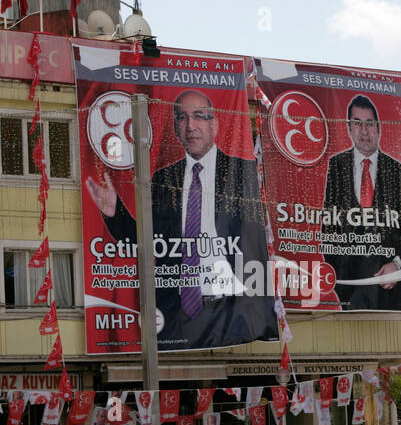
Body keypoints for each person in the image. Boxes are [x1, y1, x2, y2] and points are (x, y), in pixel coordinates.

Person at [85, 89, 277, 350]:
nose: (190, 126)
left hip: (235, 310)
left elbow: (265, 236)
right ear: (175, 128)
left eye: (199, 116)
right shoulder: (163, 179)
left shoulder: (243, 174)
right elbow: (148, 241)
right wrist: (115, 211)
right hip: (175, 314)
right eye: (182, 118)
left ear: (214, 124)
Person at [321, 96, 401, 310]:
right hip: (350, 291)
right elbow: (328, 224)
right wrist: (339, 275)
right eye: (357, 123)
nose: (364, 130)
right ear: (349, 128)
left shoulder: (396, 171)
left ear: (378, 128)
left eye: (369, 123)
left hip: (391, 293)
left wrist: (397, 265)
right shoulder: (336, 166)